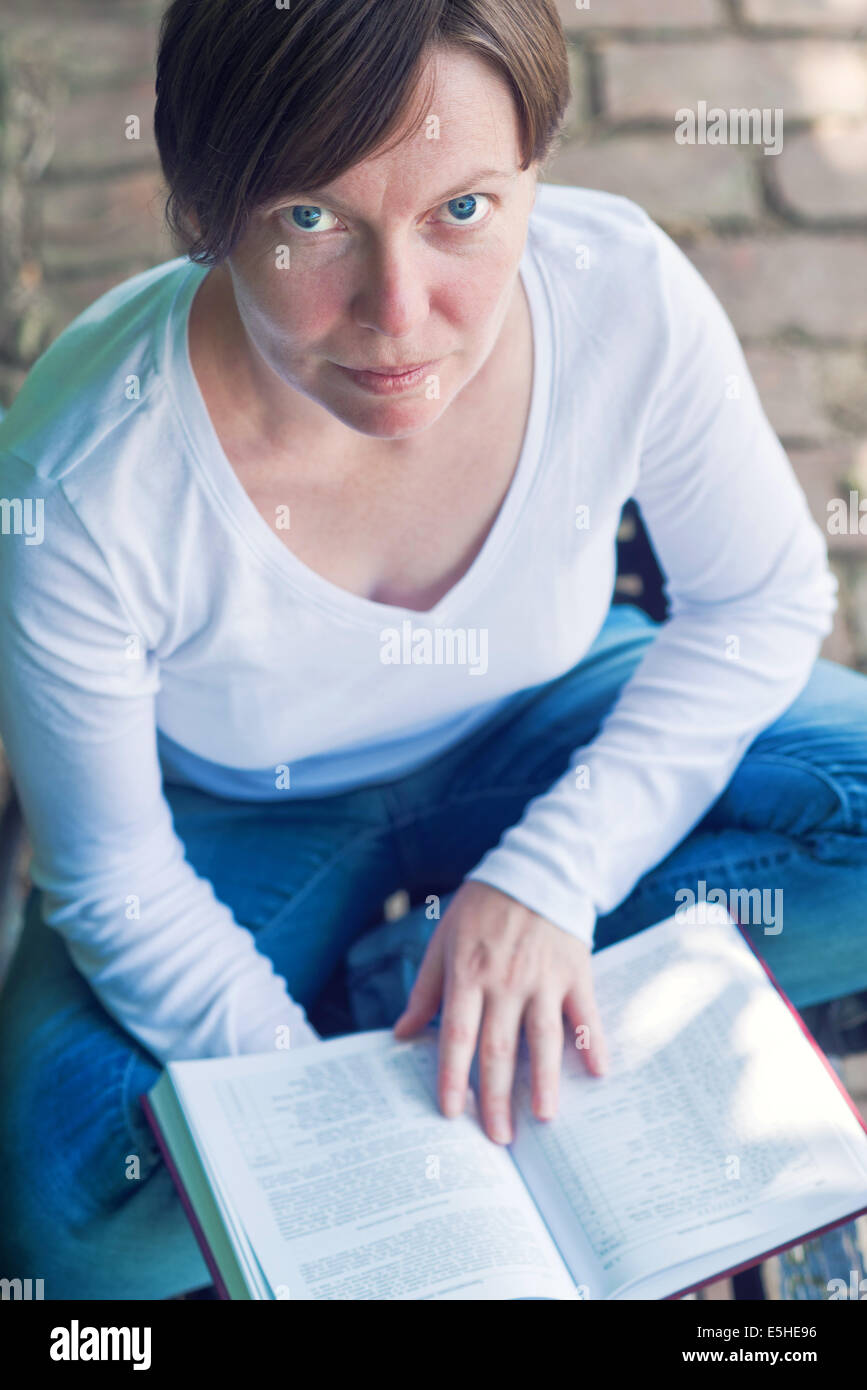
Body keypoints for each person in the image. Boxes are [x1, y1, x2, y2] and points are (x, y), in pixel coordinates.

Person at [0, 0, 865, 1302]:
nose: (397, 315)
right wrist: (332, 1133)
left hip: (545, 718)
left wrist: (549, 879)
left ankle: (468, 971)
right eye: (310, 220)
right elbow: (114, 872)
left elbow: (759, 602)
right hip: (240, 820)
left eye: (463, 209)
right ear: (207, 204)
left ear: (535, 169)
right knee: (70, 1206)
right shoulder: (83, 466)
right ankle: (439, 1025)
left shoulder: (622, 292)